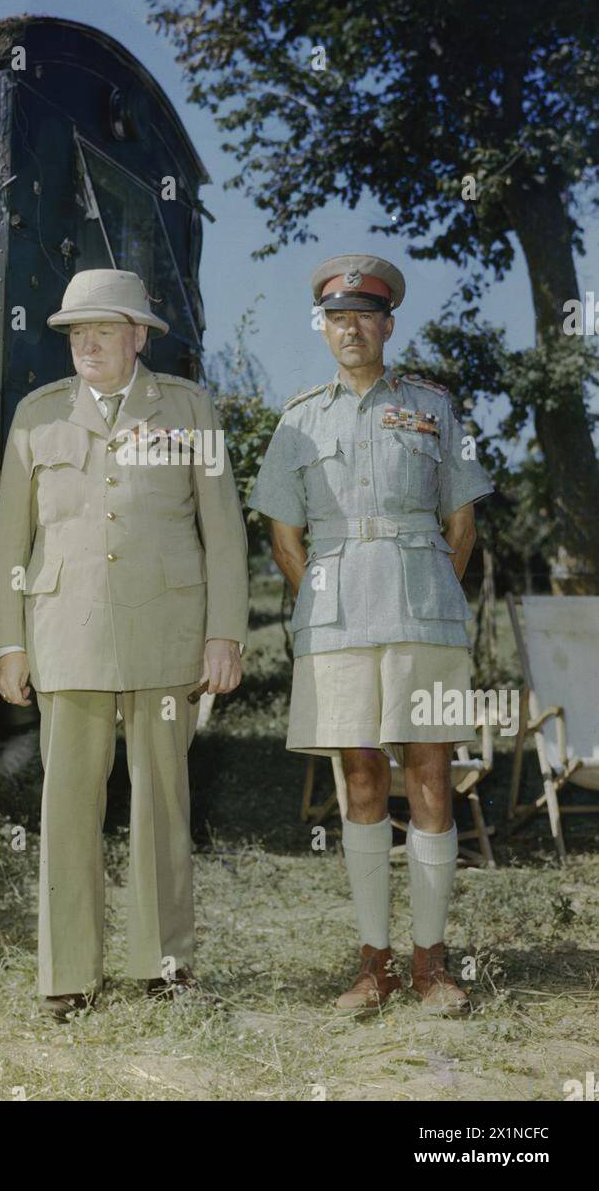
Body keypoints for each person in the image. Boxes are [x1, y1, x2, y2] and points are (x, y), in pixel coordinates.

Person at [0, 268, 248, 1020]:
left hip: (166, 630)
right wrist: (8, 642)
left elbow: (224, 531)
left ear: (138, 336)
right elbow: (11, 540)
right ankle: (68, 974)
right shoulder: (37, 415)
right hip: (65, 632)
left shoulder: (189, 410)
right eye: (78, 331)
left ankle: (164, 965)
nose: (89, 343)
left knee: (163, 799)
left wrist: (224, 633)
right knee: (68, 800)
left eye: (104, 329)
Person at [249, 255, 494, 1015]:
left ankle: (431, 963)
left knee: (430, 775)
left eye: (364, 315)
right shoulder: (298, 419)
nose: (350, 328)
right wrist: (327, 597)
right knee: (358, 778)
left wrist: (424, 587)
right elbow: (284, 537)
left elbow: (461, 528)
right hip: (337, 619)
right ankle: (374, 963)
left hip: (423, 610)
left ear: (388, 325)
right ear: (322, 328)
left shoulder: (435, 408)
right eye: (336, 317)